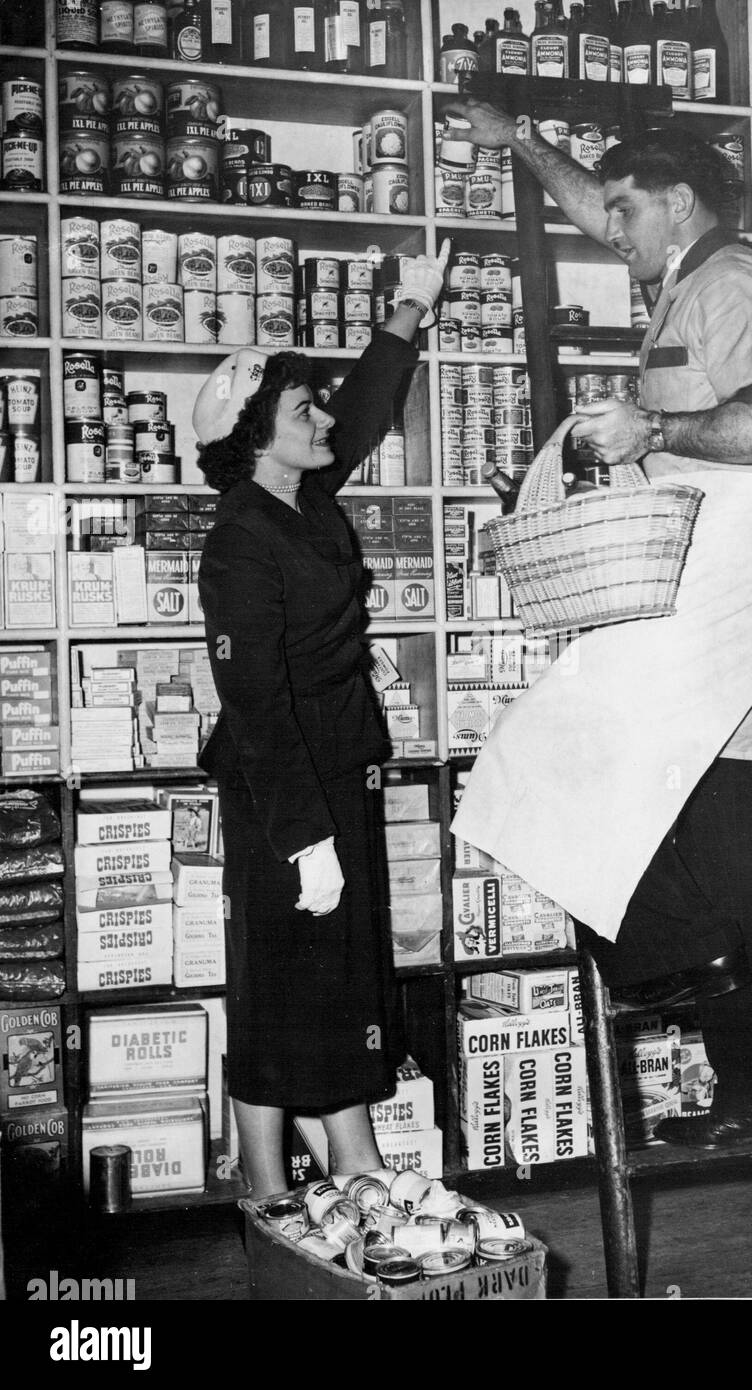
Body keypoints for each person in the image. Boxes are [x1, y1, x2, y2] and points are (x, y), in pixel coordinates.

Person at [446, 105, 752, 1149]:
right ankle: (731, 1048)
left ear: (678, 206)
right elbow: (600, 201)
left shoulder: (735, 281)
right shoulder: (680, 267)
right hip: (705, 575)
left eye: (626, 212)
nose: (608, 230)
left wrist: (655, 428)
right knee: (718, 842)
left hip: (751, 587)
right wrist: (521, 142)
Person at [192, 242, 449, 1197]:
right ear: (257, 438)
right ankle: (265, 1185)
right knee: (285, 977)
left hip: (338, 765)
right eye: (304, 410)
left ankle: (351, 1162)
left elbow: (370, 406)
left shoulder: (303, 500)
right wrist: (305, 839)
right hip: (280, 786)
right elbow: (255, 703)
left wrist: (408, 308)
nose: (323, 417)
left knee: (330, 974)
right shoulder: (239, 540)